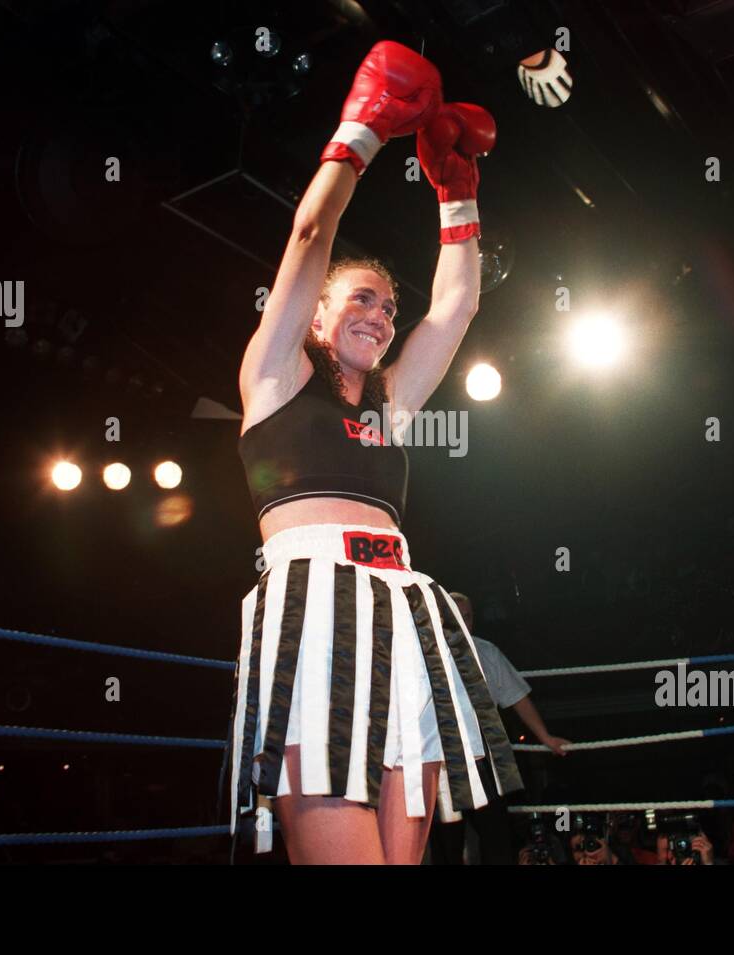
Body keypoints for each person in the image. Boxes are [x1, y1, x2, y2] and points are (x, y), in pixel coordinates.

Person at [228, 40, 521, 864]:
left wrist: (456, 188)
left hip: (402, 608)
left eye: (390, 308)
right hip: (312, 608)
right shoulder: (276, 378)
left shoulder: (392, 404)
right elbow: (311, 232)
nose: (383, 316)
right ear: (318, 319)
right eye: (362, 299)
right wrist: (360, 134)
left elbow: (458, 306)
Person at [426, 592, 570, 863]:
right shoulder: (423, 654)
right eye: (454, 615)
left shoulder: (486, 651)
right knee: (447, 841)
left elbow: (517, 697)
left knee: (496, 836)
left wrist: (545, 737)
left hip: (483, 755)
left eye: (467, 616)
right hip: (441, 757)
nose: (461, 622)